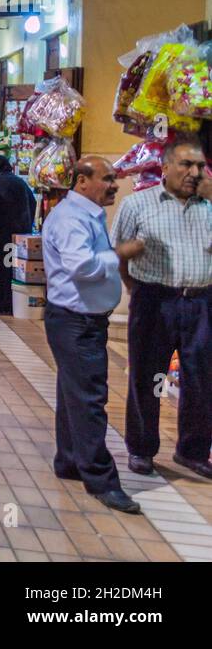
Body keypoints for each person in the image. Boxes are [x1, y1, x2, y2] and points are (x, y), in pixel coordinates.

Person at [42, 156, 146, 514]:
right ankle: (101, 479)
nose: (115, 185)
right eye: (108, 178)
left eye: (115, 178)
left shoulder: (87, 213)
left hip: (80, 321)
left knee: (73, 393)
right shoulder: (71, 218)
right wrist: (121, 253)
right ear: (82, 181)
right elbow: (82, 267)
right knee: (89, 399)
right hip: (77, 323)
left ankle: (69, 459)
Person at [113, 139, 212, 478]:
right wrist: (135, 289)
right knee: (147, 376)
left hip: (202, 302)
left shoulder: (209, 207)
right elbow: (118, 253)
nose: (194, 172)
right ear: (165, 168)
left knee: (202, 379)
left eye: (199, 166)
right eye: (186, 165)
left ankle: (192, 451)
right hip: (154, 301)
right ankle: (141, 449)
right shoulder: (137, 205)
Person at [0, 154, 37, 314]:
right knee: (14, 270)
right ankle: (12, 302)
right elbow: (32, 203)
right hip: (19, 235)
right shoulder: (20, 183)